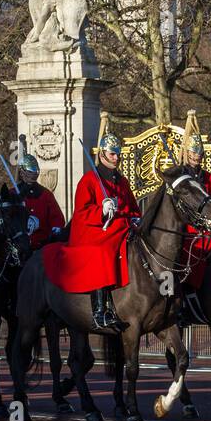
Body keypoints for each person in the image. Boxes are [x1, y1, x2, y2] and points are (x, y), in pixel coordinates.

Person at [41, 112, 140, 331]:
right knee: (102, 252)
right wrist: (102, 210)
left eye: (118, 155)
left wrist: (134, 217)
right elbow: (82, 212)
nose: (116, 158)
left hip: (118, 227)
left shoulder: (121, 181)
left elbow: (132, 207)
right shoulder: (89, 180)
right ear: (103, 154)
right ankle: (99, 310)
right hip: (92, 231)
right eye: (112, 154)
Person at [177, 110, 211, 326]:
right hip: (189, 232)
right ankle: (184, 302)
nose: (197, 157)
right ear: (187, 153)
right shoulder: (182, 178)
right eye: (194, 153)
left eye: (200, 153)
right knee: (190, 256)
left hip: (210, 231)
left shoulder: (206, 177)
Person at [14, 135, 64, 250]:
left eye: (34, 172)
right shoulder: (13, 194)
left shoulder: (46, 195)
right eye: (30, 172)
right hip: (18, 247)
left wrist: (56, 227)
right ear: (22, 173)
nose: (33, 175)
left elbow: (57, 217)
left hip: (41, 246)